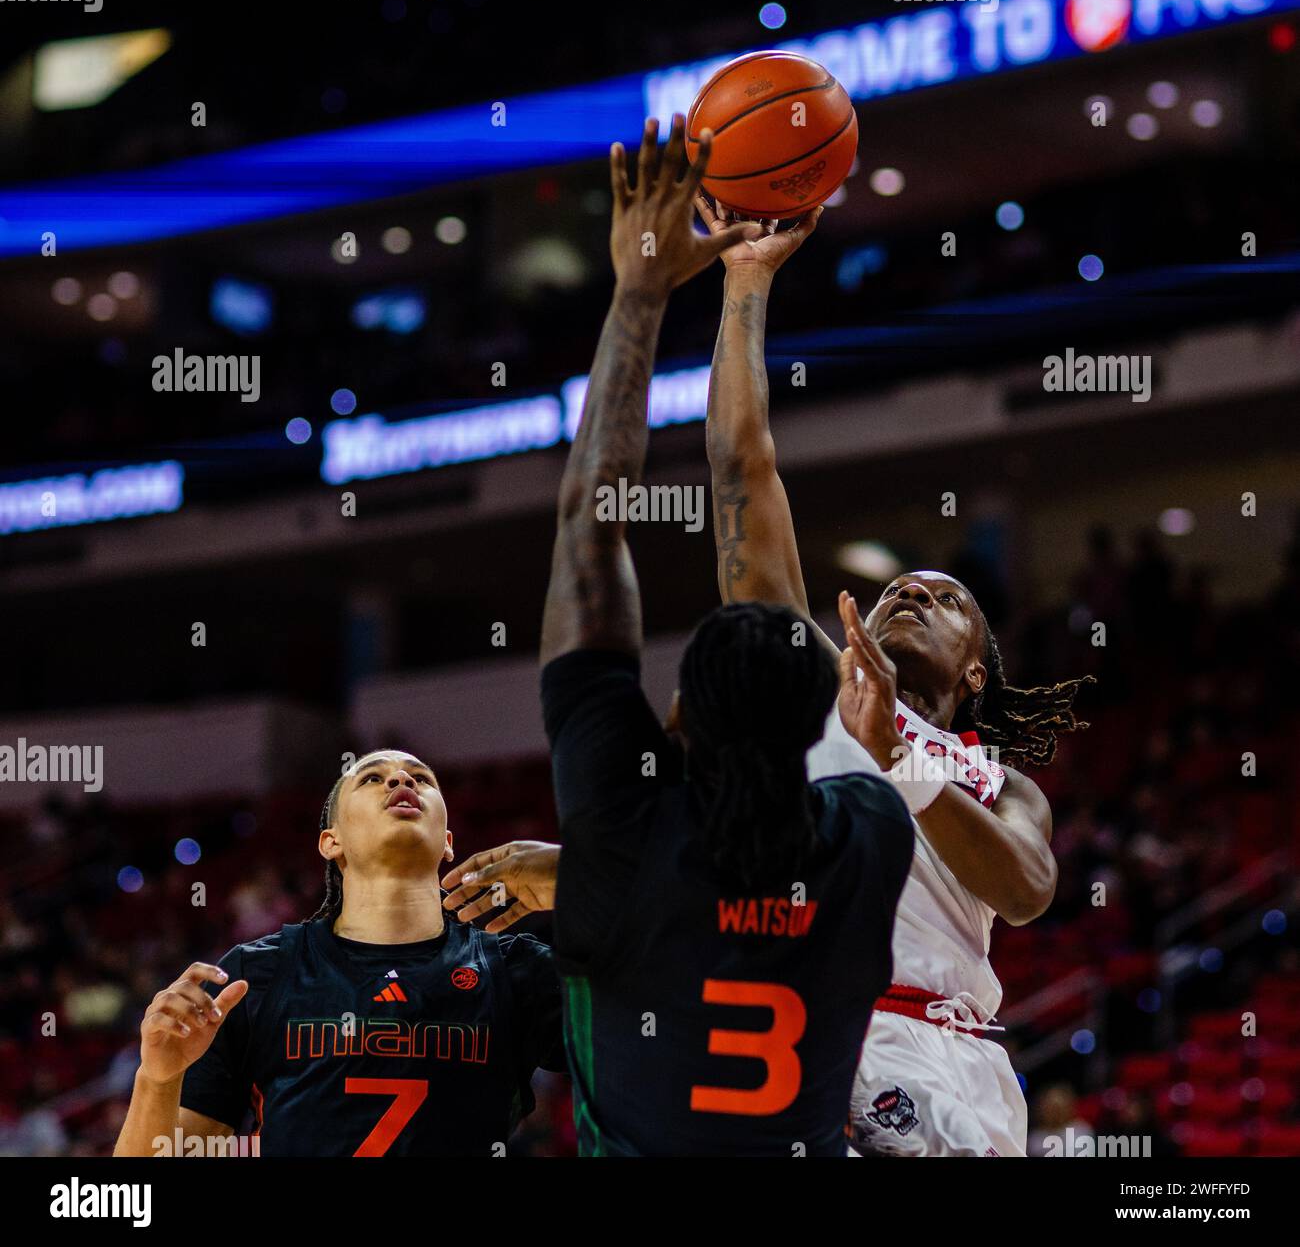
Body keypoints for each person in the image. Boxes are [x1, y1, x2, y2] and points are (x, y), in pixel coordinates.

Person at [525, 114, 915, 1156]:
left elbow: (591, 525)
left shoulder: (857, 827)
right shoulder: (863, 832)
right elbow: (638, 524)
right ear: (818, 713)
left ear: (679, 714)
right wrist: (732, 282)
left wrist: (644, 289)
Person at [694, 191, 1092, 1156]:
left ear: (976, 671)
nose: (910, 593)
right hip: (837, 1035)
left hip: (970, 1063)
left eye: (945, 598)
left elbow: (1028, 891)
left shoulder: (1005, 786)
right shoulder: (816, 686)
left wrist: (903, 763)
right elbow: (743, 474)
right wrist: (744, 283)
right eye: (894, 592)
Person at [113, 749, 565, 1157]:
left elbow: (613, 1065)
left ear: (448, 840)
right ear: (332, 842)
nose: (402, 781)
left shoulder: (516, 970)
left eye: (421, 778)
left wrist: (577, 879)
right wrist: (157, 1079)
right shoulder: (255, 975)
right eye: (372, 778)